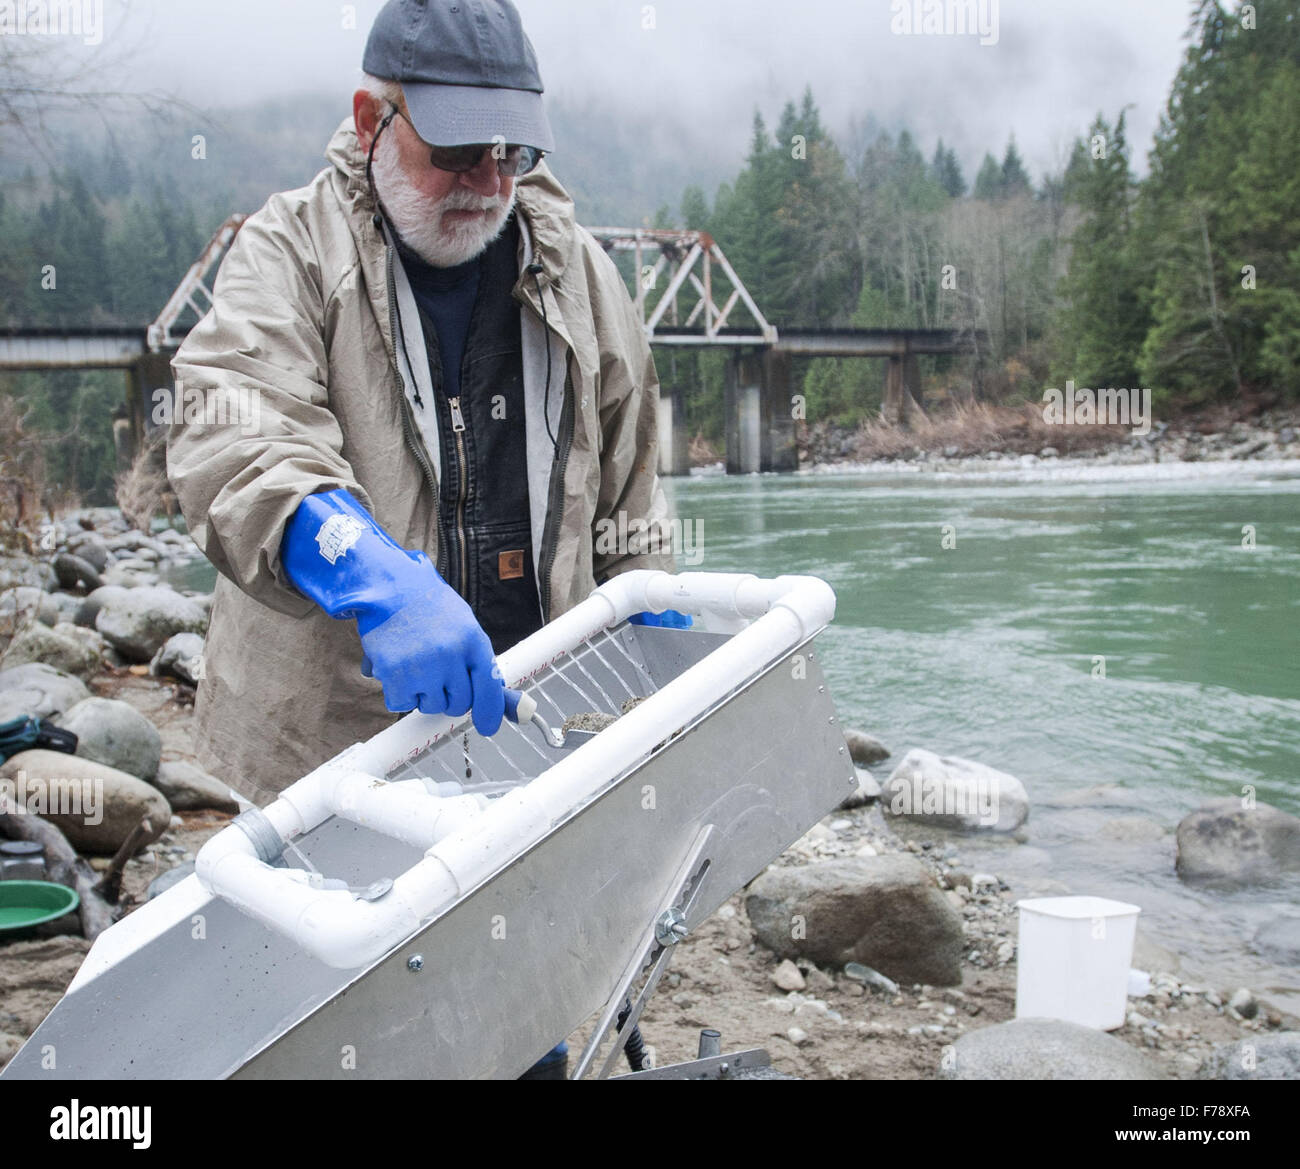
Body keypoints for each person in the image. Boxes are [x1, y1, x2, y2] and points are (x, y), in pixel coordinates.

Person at [166, 0, 686, 1079]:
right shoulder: (288, 248)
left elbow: (633, 494)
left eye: (513, 151)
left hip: (525, 725)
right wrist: (361, 568)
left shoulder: (581, 272)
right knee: (344, 1023)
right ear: (371, 114)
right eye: (456, 149)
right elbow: (234, 427)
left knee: (526, 1010)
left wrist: (664, 629)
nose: (490, 181)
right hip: (331, 743)